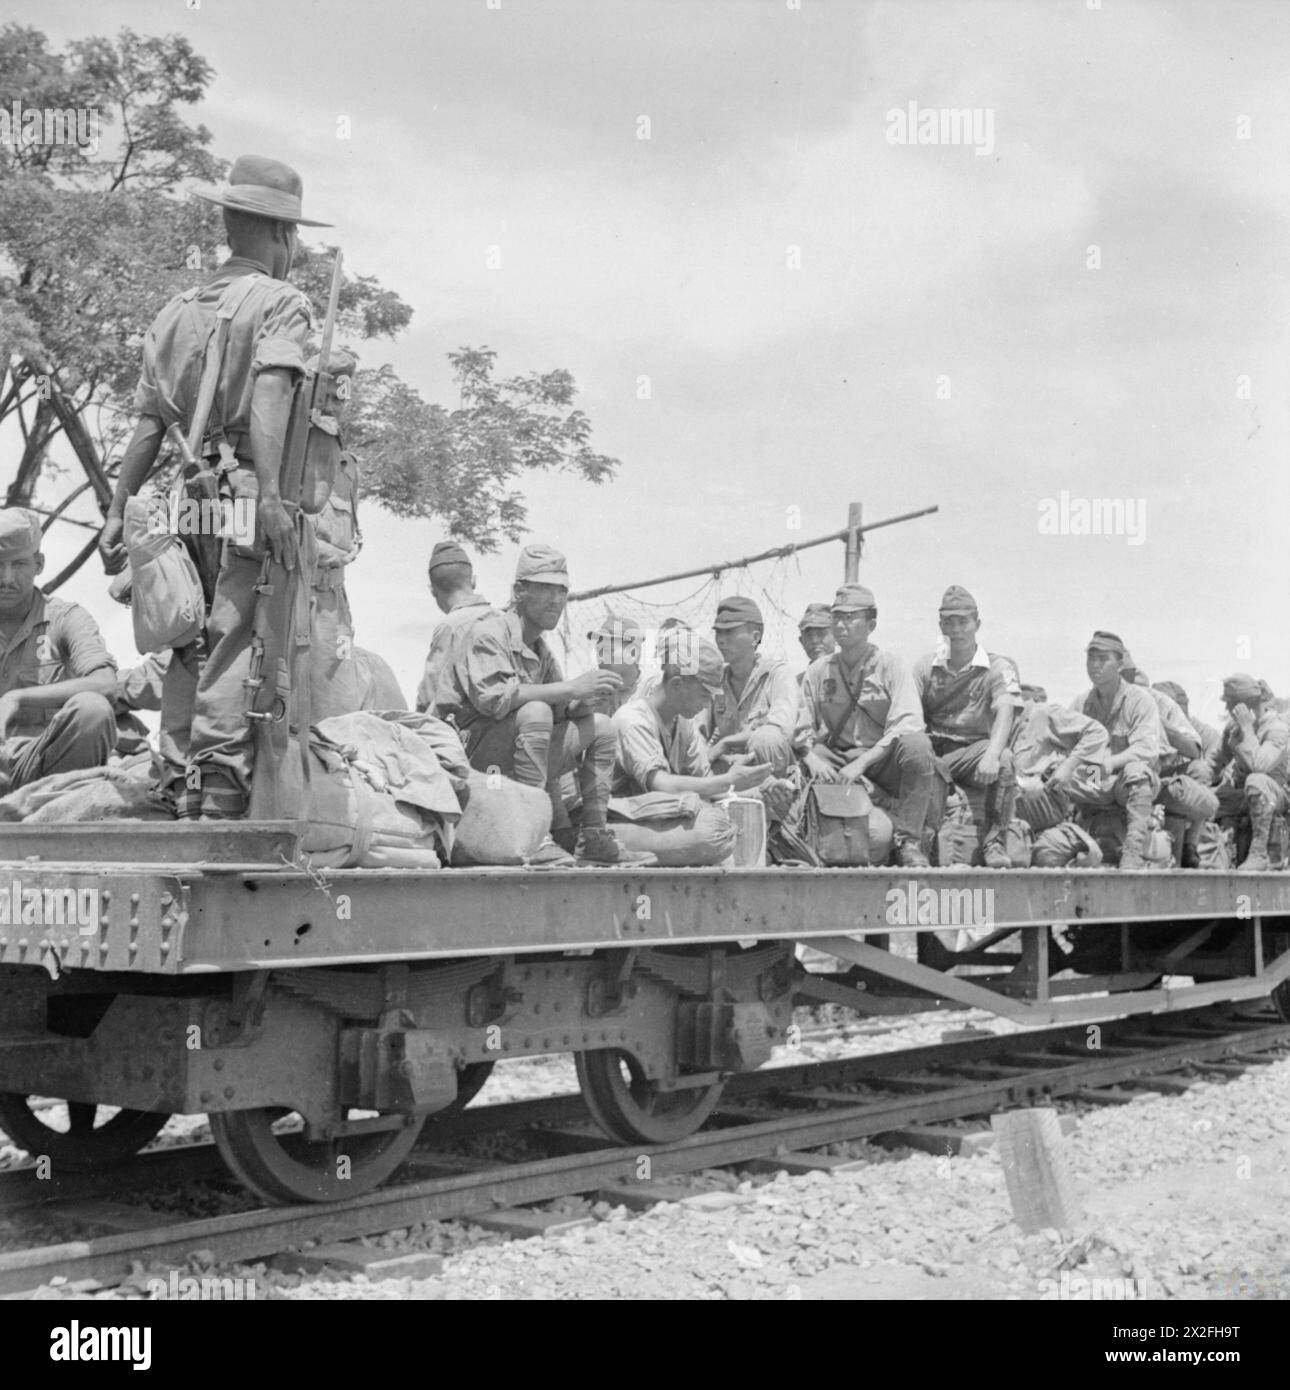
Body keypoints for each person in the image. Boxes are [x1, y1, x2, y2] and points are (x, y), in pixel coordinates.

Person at [99, 155, 325, 818]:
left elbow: (147, 423)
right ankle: (221, 785)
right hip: (249, 493)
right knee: (237, 630)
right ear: (284, 236)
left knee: (186, 636)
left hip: (187, 497)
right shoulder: (283, 302)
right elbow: (270, 391)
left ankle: (173, 780)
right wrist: (274, 502)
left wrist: (117, 510)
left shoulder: (176, 312)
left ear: (229, 223)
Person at [434, 542, 653, 866]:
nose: (556, 600)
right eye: (546, 589)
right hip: (471, 763)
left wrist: (580, 703)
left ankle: (593, 837)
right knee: (535, 713)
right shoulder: (488, 632)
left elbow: (556, 709)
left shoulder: (539, 648)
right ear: (519, 591)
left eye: (562, 590)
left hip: (510, 755)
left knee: (602, 727)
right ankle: (534, 837)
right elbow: (495, 700)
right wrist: (571, 688)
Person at [800, 583, 936, 867]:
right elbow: (799, 728)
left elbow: (908, 724)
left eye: (850, 617)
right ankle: (803, 833)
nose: (841, 624)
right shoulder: (818, 670)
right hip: (837, 758)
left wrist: (861, 764)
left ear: (871, 624)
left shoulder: (890, 666)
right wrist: (811, 757)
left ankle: (908, 840)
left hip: (879, 760)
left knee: (918, 746)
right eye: (836, 617)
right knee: (795, 757)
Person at [0, 508, 117, 794]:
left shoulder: (65, 618)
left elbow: (105, 683)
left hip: (43, 765)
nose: (6, 578)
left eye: (19, 564)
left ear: (38, 564)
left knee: (92, 709)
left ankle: (58, 816)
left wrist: (18, 697)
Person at [913, 585, 1022, 868]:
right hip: (938, 754)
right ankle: (917, 847)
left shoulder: (999, 667)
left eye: (963, 622)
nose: (956, 629)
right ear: (940, 626)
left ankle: (995, 841)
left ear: (977, 624)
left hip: (975, 753)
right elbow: (912, 719)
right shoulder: (926, 667)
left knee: (1006, 760)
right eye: (949, 622)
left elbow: (1005, 710)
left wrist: (991, 755)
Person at [1068, 631, 1161, 869]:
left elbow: (1147, 748)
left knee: (1136, 771)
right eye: (1091, 658)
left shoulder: (1139, 700)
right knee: (1056, 777)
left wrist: (1110, 763)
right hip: (1095, 780)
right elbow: (1069, 749)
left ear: (1120, 663)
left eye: (1103, 658)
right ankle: (1062, 838)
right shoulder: (1080, 704)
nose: (1095, 665)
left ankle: (1133, 851)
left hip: (1124, 782)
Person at [308, 349, 363, 721]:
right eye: (323, 398)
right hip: (298, 598)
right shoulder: (290, 457)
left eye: (338, 399)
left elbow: (350, 533)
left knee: (340, 699)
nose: (331, 408)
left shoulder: (347, 466)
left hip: (336, 606)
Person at [1121, 659, 1217, 866]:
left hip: (1159, 775)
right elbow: (1087, 758)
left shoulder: (1162, 704)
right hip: (1118, 777)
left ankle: (1190, 845)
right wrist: (1093, 784)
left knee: (1198, 772)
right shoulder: (1097, 703)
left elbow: (1194, 750)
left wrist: (1161, 723)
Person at [709, 596, 798, 775]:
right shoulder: (716, 682)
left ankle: (780, 801)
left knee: (766, 738)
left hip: (778, 772)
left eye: (730, 632)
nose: (721, 640)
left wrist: (726, 743)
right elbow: (697, 731)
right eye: (719, 632)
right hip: (731, 769)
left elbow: (781, 730)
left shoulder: (777, 674)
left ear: (755, 637)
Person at [1210, 673, 1289, 871]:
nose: (1228, 710)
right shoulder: (1233, 728)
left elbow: (1260, 766)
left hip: (1273, 794)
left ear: (1245, 705)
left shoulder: (1277, 729)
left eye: (1231, 705)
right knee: (1209, 800)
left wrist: (1247, 728)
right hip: (1243, 795)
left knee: (1256, 780)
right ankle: (1208, 855)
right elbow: (1216, 760)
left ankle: (1259, 853)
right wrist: (1201, 781)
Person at [1011, 681, 1111, 831]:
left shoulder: (1043, 714)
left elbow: (1097, 733)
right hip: (1024, 797)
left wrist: (1068, 766)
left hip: (1049, 794)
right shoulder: (1081, 703)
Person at [415, 541, 490, 713]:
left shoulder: (450, 626)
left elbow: (429, 693)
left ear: (432, 590)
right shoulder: (500, 618)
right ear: (473, 581)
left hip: (470, 730)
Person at [797, 603, 835, 672]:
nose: (814, 640)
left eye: (821, 634)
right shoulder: (796, 682)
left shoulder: (852, 678)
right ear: (801, 641)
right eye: (809, 636)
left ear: (836, 636)